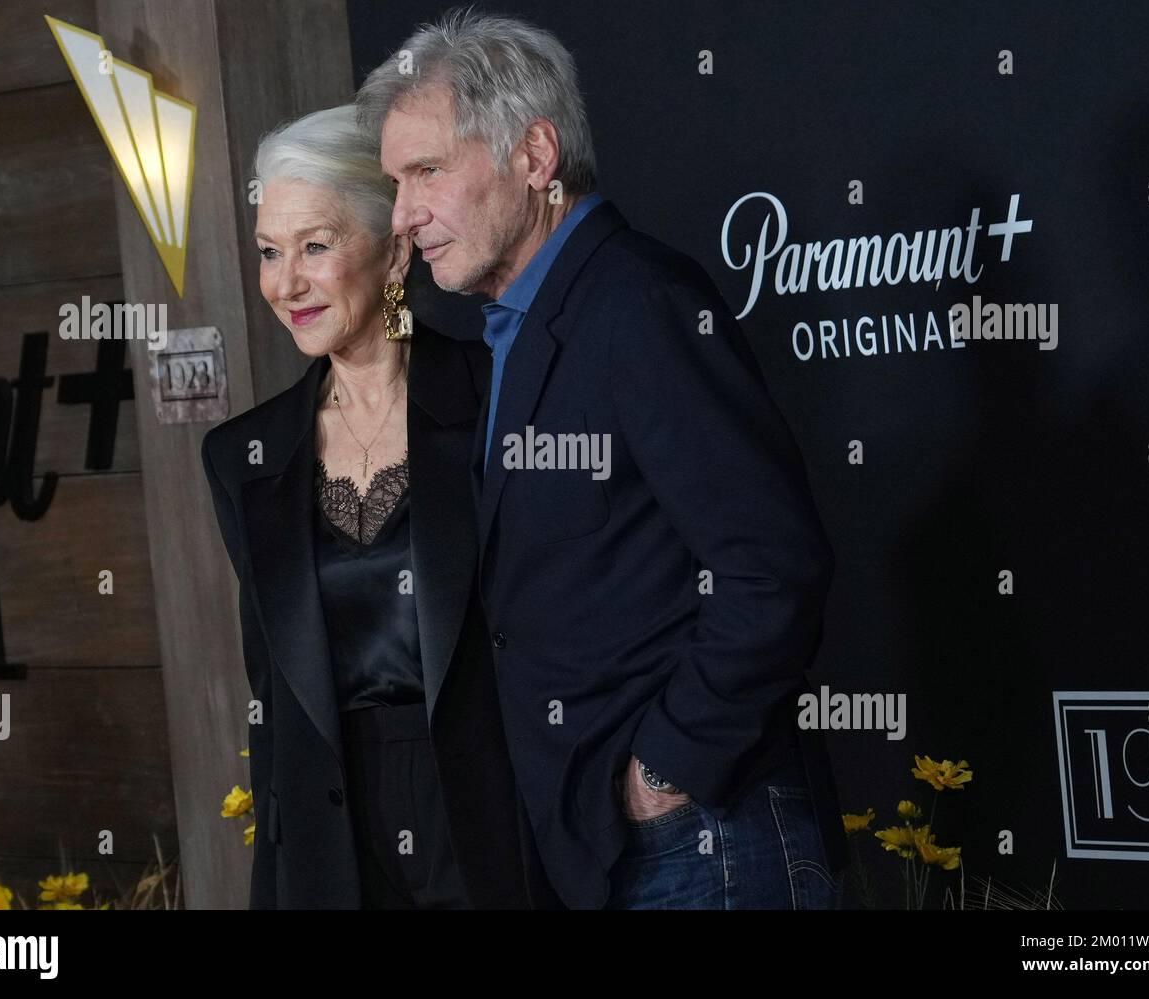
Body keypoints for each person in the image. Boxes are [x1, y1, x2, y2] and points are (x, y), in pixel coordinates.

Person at [357, 8, 848, 909]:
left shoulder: (638, 305)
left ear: (535, 157)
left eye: (427, 171)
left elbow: (774, 568)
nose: (403, 215)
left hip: (704, 841)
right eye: (394, 183)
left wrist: (663, 772)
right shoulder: (515, 329)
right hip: (612, 855)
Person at [200, 103, 555, 909]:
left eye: (316, 246)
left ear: (395, 250)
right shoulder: (243, 459)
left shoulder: (500, 396)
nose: (284, 283)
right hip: (336, 853)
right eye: (268, 252)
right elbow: (274, 709)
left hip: (497, 828)